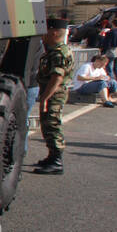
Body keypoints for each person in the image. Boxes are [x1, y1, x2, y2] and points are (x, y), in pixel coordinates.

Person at [33, 19, 76, 175]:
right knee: (47, 124)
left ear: (54, 32)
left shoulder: (59, 52)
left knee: (52, 124)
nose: (44, 35)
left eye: (47, 31)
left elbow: (57, 78)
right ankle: (52, 157)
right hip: (51, 92)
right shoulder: (54, 50)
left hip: (54, 94)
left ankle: (56, 161)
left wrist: (45, 97)